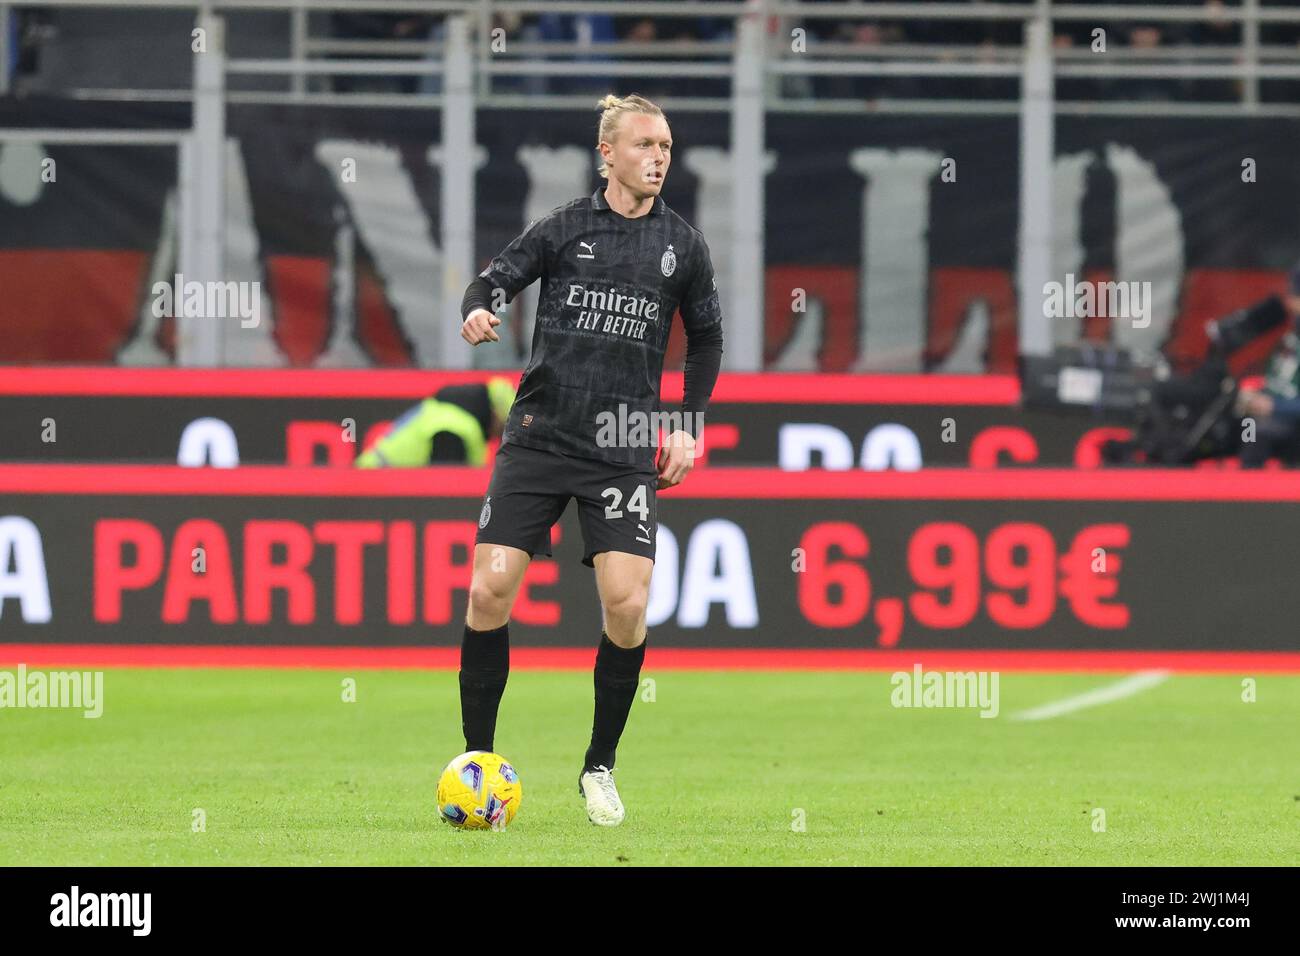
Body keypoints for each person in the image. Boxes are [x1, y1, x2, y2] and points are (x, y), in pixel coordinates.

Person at [456, 92, 724, 826]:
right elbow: (491, 281)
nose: (659, 157)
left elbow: (705, 341)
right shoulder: (564, 228)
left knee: (628, 605)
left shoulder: (683, 246)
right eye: (645, 145)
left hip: (623, 445)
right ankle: (479, 766)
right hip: (540, 435)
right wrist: (478, 308)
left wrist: (688, 426)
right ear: (608, 153)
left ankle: (599, 765)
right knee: (489, 590)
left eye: (666, 145)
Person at [354, 378, 516, 468]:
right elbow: (444, 487)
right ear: (495, 414)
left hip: (375, 482)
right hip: (373, 486)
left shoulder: (449, 413)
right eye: (503, 427)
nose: (500, 436)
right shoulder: (454, 426)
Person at [1236, 264, 1300, 468]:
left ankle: (1250, 492)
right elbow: (1276, 380)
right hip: (1274, 413)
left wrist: (1274, 406)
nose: (1290, 302)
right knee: (1241, 424)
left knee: (1256, 433)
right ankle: (1237, 488)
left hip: (1290, 418)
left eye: (1295, 296)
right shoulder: (1289, 339)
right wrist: (1254, 393)